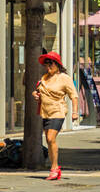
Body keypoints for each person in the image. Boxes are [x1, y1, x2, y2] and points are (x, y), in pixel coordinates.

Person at [33, 51, 77, 179]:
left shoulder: (64, 78)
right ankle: (55, 167)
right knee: (49, 141)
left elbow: (73, 96)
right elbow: (38, 91)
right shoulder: (44, 78)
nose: (48, 67)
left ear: (57, 64)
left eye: (50, 64)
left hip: (57, 111)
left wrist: (74, 112)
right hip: (45, 112)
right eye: (46, 65)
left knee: (51, 138)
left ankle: (54, 168)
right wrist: (35, 94)